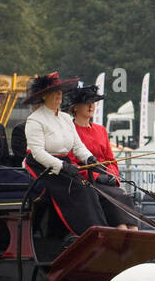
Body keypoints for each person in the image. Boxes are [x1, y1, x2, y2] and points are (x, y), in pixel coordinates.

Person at [23, 72, 108, 236]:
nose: (59, 96)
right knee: (77, 189)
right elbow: (38, 153)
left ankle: (99, 230)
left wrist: (91, 159)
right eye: (54, 92)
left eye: (60, 92)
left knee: (88, 188)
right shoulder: (35, 120)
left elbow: (78, 146)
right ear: (44, 97)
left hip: (65, 163)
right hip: (41, 166)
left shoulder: (66, 118)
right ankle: (83, 233)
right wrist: (62, 166)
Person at [68, 85, 136, 229]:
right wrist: (97, 177)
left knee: (123, 195)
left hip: (106, 179)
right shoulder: (69, 130)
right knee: (113, 199)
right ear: (75, 108)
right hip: (87, 181)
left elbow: (111, 160)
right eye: (86, 103)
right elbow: (72, 163)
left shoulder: (101, 130)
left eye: (93, 103)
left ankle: (133, 232)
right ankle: (121, 230)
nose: (91, 106)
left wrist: (112, 175)